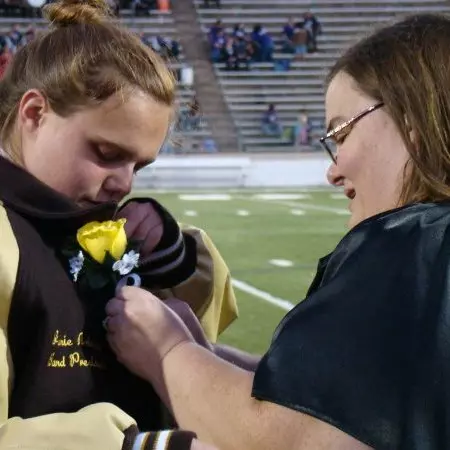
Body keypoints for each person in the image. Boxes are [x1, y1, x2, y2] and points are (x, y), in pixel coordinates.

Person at [107, 13, 450, 450]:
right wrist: (208, 356)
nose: (333, 169)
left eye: (341, 134)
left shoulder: (413, 245)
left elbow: (289, 436)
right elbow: (339, 397)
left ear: (411, 125)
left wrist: (166, 350)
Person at [0, 0, 238, 449]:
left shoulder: (103, 220)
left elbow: (202, 330)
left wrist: (174, 256)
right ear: (34, 114)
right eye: (107, 154)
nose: (124, 184)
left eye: (139, 166)